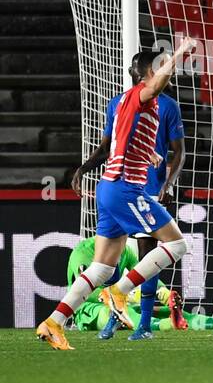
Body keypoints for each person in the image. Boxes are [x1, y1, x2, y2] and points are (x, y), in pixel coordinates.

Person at [37, 37, 198, 351]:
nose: (164, 71)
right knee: (177, 244)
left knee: (101, 268)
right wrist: (178, 52)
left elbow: (122, 142)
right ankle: (121, 291)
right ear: (144, 76)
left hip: (110, 188)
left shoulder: (130, 103)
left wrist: (150, 157)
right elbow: (155, 85)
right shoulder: (141, 95)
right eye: (158, 67)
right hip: (125, 188)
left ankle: (53, 322)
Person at [71, 48, 187, 340]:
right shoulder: (120, 104)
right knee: (113, 260)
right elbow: (108, 146)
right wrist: (84, 168)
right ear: (146, 73)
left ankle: (144, 324)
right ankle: (113, 314)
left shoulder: (169, 105)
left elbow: (179, 151)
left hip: (149, 189)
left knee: (150, 254)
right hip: (125, 188)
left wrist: (167, 184)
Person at [64, 236, 213, 337]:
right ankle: (168, 325)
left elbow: (144, 275)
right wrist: (132, 296)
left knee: (167, 309)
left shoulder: (124, 249)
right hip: (90, 310)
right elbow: (88, 292)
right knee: (123, 312)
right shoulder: (83, 253)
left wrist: (164, 294)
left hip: (122, 302)